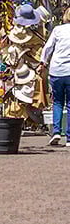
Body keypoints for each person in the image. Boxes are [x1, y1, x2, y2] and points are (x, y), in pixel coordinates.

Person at [41, 7, 70, 146]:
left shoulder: (58, 30)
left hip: (57, 69)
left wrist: (43, 61)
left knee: (58, 102)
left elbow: (48, 47)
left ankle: (56, 131)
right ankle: (69, 137)